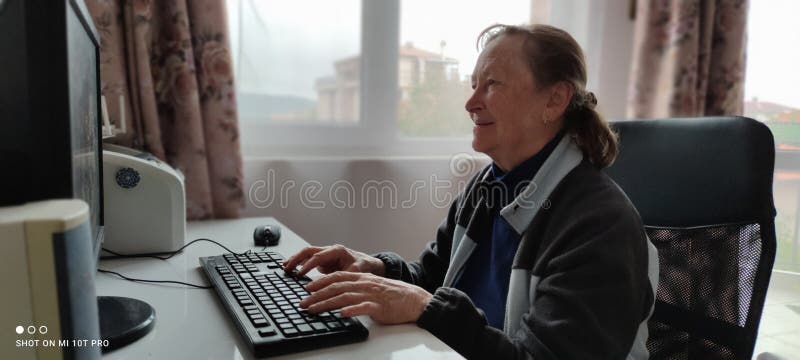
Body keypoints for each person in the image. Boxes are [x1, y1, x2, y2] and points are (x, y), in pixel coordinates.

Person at [284, 23, 659, 359]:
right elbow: (434, 278)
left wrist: (428, 308)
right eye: (473, 84)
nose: (470, 103)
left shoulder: (599, 224)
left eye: (492, 84)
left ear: (555, 100)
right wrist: (377, 269)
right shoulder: (487, 186)